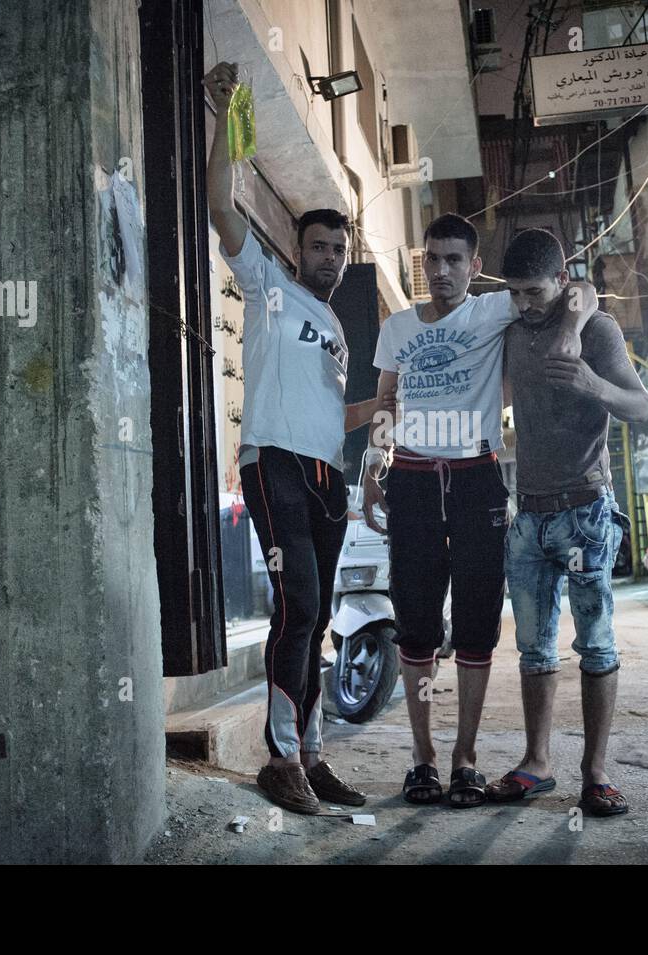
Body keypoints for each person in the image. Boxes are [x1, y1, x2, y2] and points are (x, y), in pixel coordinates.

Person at [361, 214, 598, 808]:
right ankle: (423, 759)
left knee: (476, 622)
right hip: (412, 479)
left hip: (477, 480)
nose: (441, 271)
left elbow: (581, 290)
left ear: (474, 267)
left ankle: (465, 759)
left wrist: (571, 332)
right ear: (422, 262)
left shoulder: (494, 311)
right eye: (432, 259)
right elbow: (387, 399)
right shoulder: (395, 327)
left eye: (453, 260)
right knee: (414, 621)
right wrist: (371, 469)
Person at [204, 61, 390, 814]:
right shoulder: (269, 287)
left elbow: (330, 410)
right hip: (275, 464)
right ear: (297, 250)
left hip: (326, 476)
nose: (331, 258)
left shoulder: (338, 324)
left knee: (312, 619)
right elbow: (222, 202)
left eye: (339, 252)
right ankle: (280, 760)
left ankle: (311, 757)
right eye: (320, 247)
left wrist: (378, 404)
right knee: (300, 601)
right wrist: (228, 117)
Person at [484, 228, 648, 818]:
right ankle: (538, 763)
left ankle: (596, 774)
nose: (525, 303)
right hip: (528, 515)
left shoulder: (596, 329)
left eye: (534, 291)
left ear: (559, 280)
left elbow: (642, 406)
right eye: (516, 294)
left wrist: (592, 382)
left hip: (585, 510)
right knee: (532, 650)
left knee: (597, 647)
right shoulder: (509, 333)